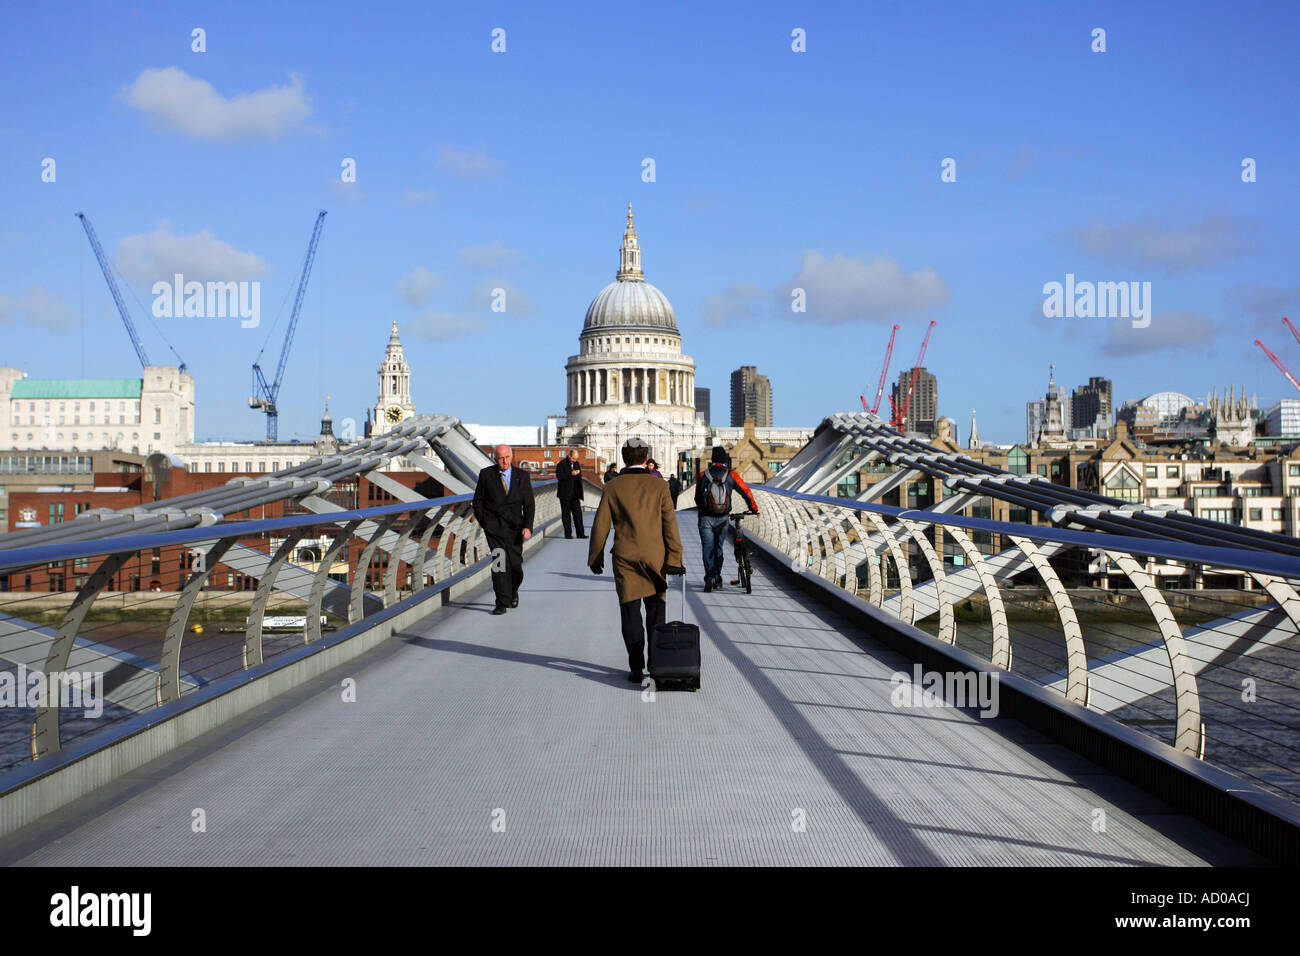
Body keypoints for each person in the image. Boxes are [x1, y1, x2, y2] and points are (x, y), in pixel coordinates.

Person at [588, 438, 685, 682]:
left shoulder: (613, 487)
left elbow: (601, 526)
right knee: (655, 611)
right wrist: (675, 558)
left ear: (623, 458)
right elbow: (670, 526)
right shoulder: (660, 487)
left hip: (625, 558)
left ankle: (635, 667)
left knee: (630, 612)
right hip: (656, 559)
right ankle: (655, 664)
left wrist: (595, 557)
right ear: (646, 458)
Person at [472, 444, 535, 614]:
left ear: (511, 457)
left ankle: (512, 592)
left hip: (515, 529)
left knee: (515, 566)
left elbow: (529, 504)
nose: (504, 461)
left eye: (507, 457)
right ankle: (501, 601)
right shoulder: (486, 475)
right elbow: (477, 501)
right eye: (500, 458)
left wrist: (528, 527)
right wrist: (485, 522)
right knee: (499, 565)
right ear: (495, 458)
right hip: (494, 529)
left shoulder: (522, 476)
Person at [695, 446, 758, 592]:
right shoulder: (731, 475)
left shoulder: (703, 475)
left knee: (707, 548)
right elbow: (746, 492)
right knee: (718, 548)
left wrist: (703, 510)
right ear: (725, 460)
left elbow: (697, 497)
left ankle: (710, 577)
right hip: (723, 518)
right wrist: (754, 508)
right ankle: (717, 578)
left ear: (712, 459)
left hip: (706, 518)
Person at [555, 448, 586, 538]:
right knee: (566, 515)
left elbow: (579, 478)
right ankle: (568, 534)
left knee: (578, 515)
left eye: (576, 459)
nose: (575, 460)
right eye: (573, 459)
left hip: (575, 494)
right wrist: (571, 473)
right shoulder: (561, 464)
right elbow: (559, 476)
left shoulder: (577, 464)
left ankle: (581, 534)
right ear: (569, 456)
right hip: (565, 494)